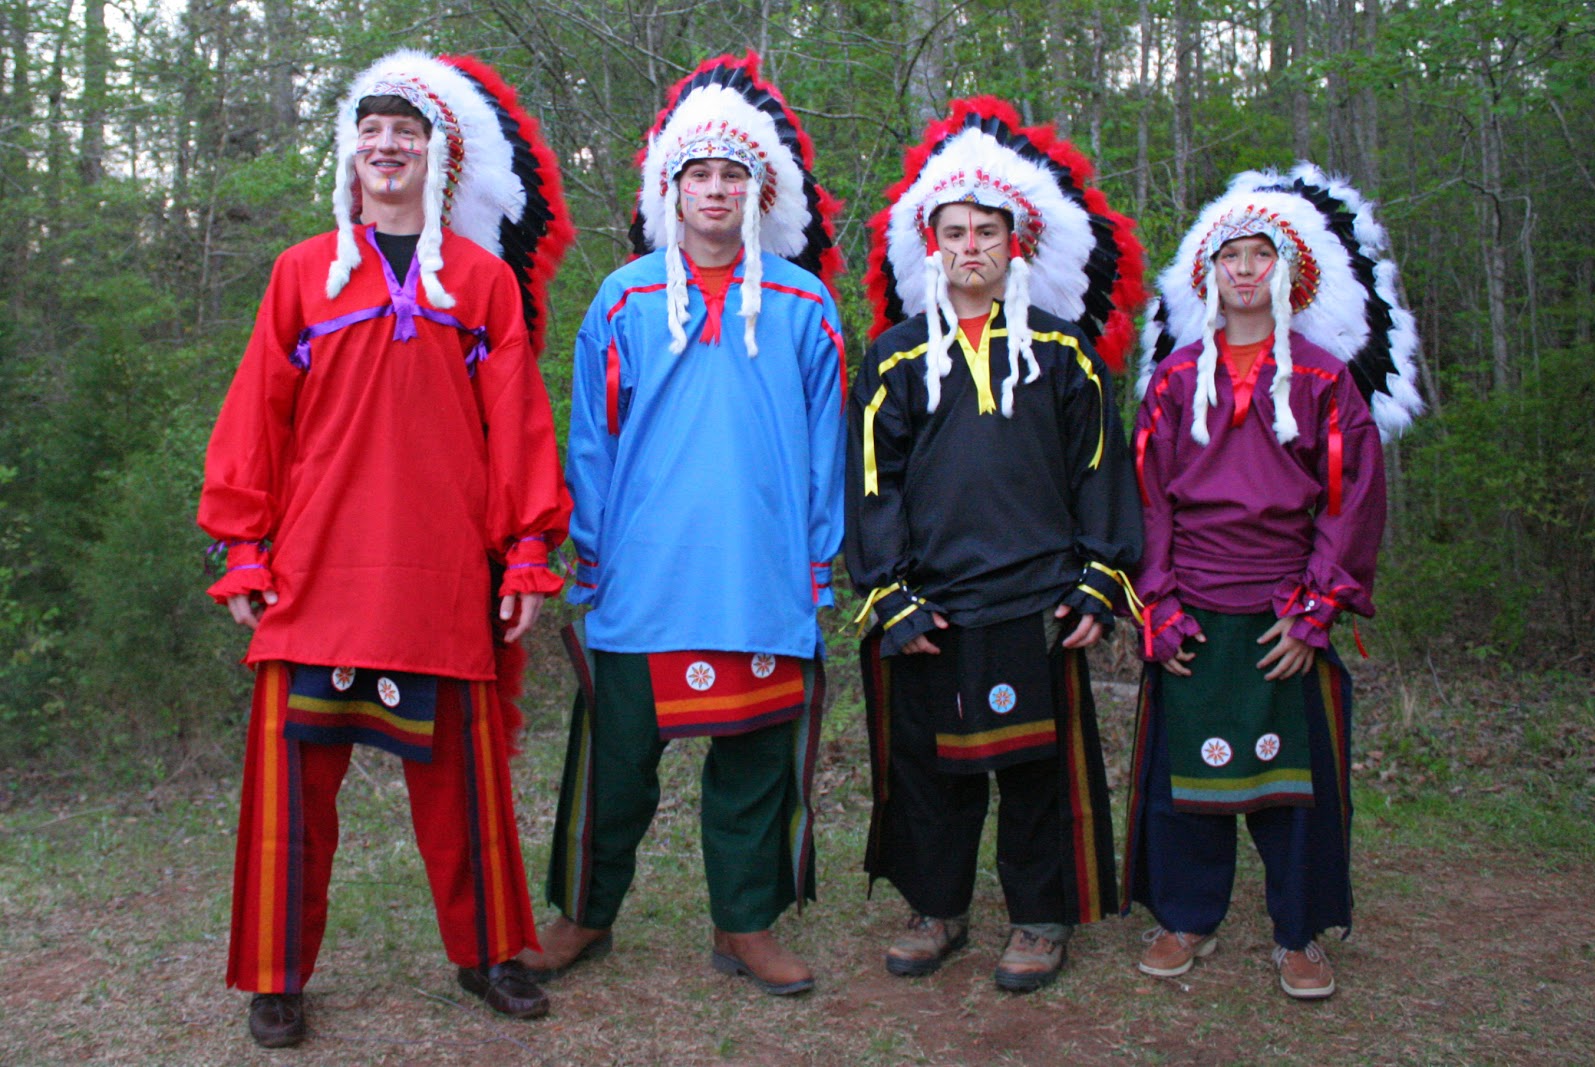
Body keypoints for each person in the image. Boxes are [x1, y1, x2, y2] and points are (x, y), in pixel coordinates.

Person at [198, 50, 573, 1047]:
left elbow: (518, 425)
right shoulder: (301, 275)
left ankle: (490, 952)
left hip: (442, 569)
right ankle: (275, 975)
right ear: (351, 155)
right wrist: (243, 542)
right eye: (372, 134)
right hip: (315, 571)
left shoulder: (483, 283)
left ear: (437, 158)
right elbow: (255, 417)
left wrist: (527, 545)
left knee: (464, 784)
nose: (388, 146)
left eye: (406, 134)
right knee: (289, 794)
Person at [527, 53, 846, 997]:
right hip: (645, 574)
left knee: (753, 763)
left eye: (733, 175)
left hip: (762, 575)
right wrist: (589, 554)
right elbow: (592, 438)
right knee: (615, 761)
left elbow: (828, 449)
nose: (715, 189)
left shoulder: (805, 303)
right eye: (699, 174)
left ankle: (743, 923)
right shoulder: (624, 298)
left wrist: (820, 563)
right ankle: (584, 912)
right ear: (671, 190)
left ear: (760, 192)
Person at [847, 97, 1146, 992]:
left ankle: (1039, 917)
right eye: (954, 231)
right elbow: (872, 481)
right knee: (934, 770)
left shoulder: (1064, 353)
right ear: (927, 244)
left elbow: (1100, 466)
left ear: (1016, 244)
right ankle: (937, 907)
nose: (970, 246)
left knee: (1035, 771)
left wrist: (1099, 580)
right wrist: (889, 592)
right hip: (933, 601)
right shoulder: (894, 358)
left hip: (1038, 599)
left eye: (987, 231)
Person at [1124, 165, 1423, 999]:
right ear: (1209, 273)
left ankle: (1299, 932)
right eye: (1232, 257)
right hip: (1195, 606)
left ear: (1288, 272)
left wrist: (1315, 608)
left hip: (1286, 608)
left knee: (1295, 787)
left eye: (1262, 256)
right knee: (1187, 778)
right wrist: (1160, 602)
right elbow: (1148, 501)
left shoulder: (1327, 382)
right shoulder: (1176, 382)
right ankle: (1186, 916)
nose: (1246, 270)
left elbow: (1352, 502)